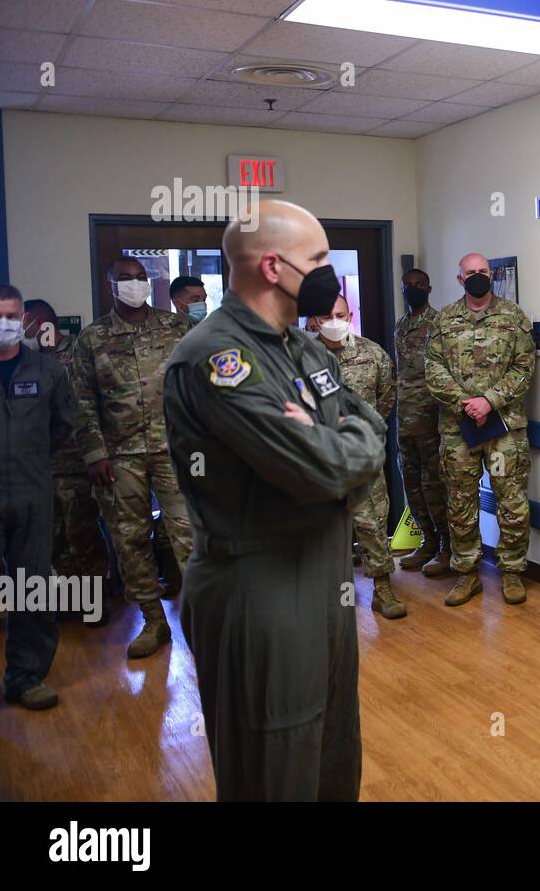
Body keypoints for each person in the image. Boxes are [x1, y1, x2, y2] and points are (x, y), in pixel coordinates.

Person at [163, 200, 387, 801]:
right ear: (272, 266)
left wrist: (331, 440)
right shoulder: (216, 356)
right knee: (276, 766)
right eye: (316, 260)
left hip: (326, 579)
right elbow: (323, 468)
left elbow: (369, 432)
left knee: (334, 753)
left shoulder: (301, 346)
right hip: (258, 590)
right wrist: (331, 446)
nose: (327, 274)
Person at [72, 257, 193, 658]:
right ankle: (153, 621)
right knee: (130, 538)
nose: (135, 284)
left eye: (141, 278)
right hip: (119, 456)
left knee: (189, 533)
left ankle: (203, 617)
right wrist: (95, 454)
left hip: (173, 450)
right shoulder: (93, 338)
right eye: (125, 279)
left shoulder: (177, 328)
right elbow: (83, 403)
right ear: (111, 286)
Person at [425, 253, 535, 607]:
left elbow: (524, 367)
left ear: (492, 275)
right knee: (460, 503)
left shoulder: (513, 316)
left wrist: (488, 401)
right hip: (459, 431)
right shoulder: (444, 320)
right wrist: (465, 404)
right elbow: (434, 370)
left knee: (512, 501)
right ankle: (467, 574)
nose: (477, 277)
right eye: (470, 273)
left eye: (482, 272)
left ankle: (513, 572)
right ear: (459, 279)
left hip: (505, 427)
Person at [0, 284, 76, 710]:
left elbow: (64, 425)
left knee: (32, 587)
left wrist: (30, 459)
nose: (6, 325)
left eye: (13, 316)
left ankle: (26, 678)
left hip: (31, 491)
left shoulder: (48, 371)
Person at [305, 294, 404, 620]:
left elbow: (386, 399)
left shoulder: (372, 353)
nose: (333, 320)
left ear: (350, 315)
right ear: (315, 319)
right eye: (325, 314)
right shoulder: (297, 357)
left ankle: (382, 588)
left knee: (372, 521)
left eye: (340, 314)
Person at [22, 300, 110, 622]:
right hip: (37, 467)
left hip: (74, 461)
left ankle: (95, 603)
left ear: (36, 321)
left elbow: (87, 406)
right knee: (52, 538)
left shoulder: (77, 353)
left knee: (82, 535)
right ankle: (70, 600)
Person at [391, 268, 451, 576]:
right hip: (405, 421)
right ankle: (427, 542)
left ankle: (447, 547)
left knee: (434, 486)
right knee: (411, 486)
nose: (412, 289)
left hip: (431, 421)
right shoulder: (401, 325)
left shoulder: (439, 323)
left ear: (429, 287)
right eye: (407, 285)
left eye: (418, 285)